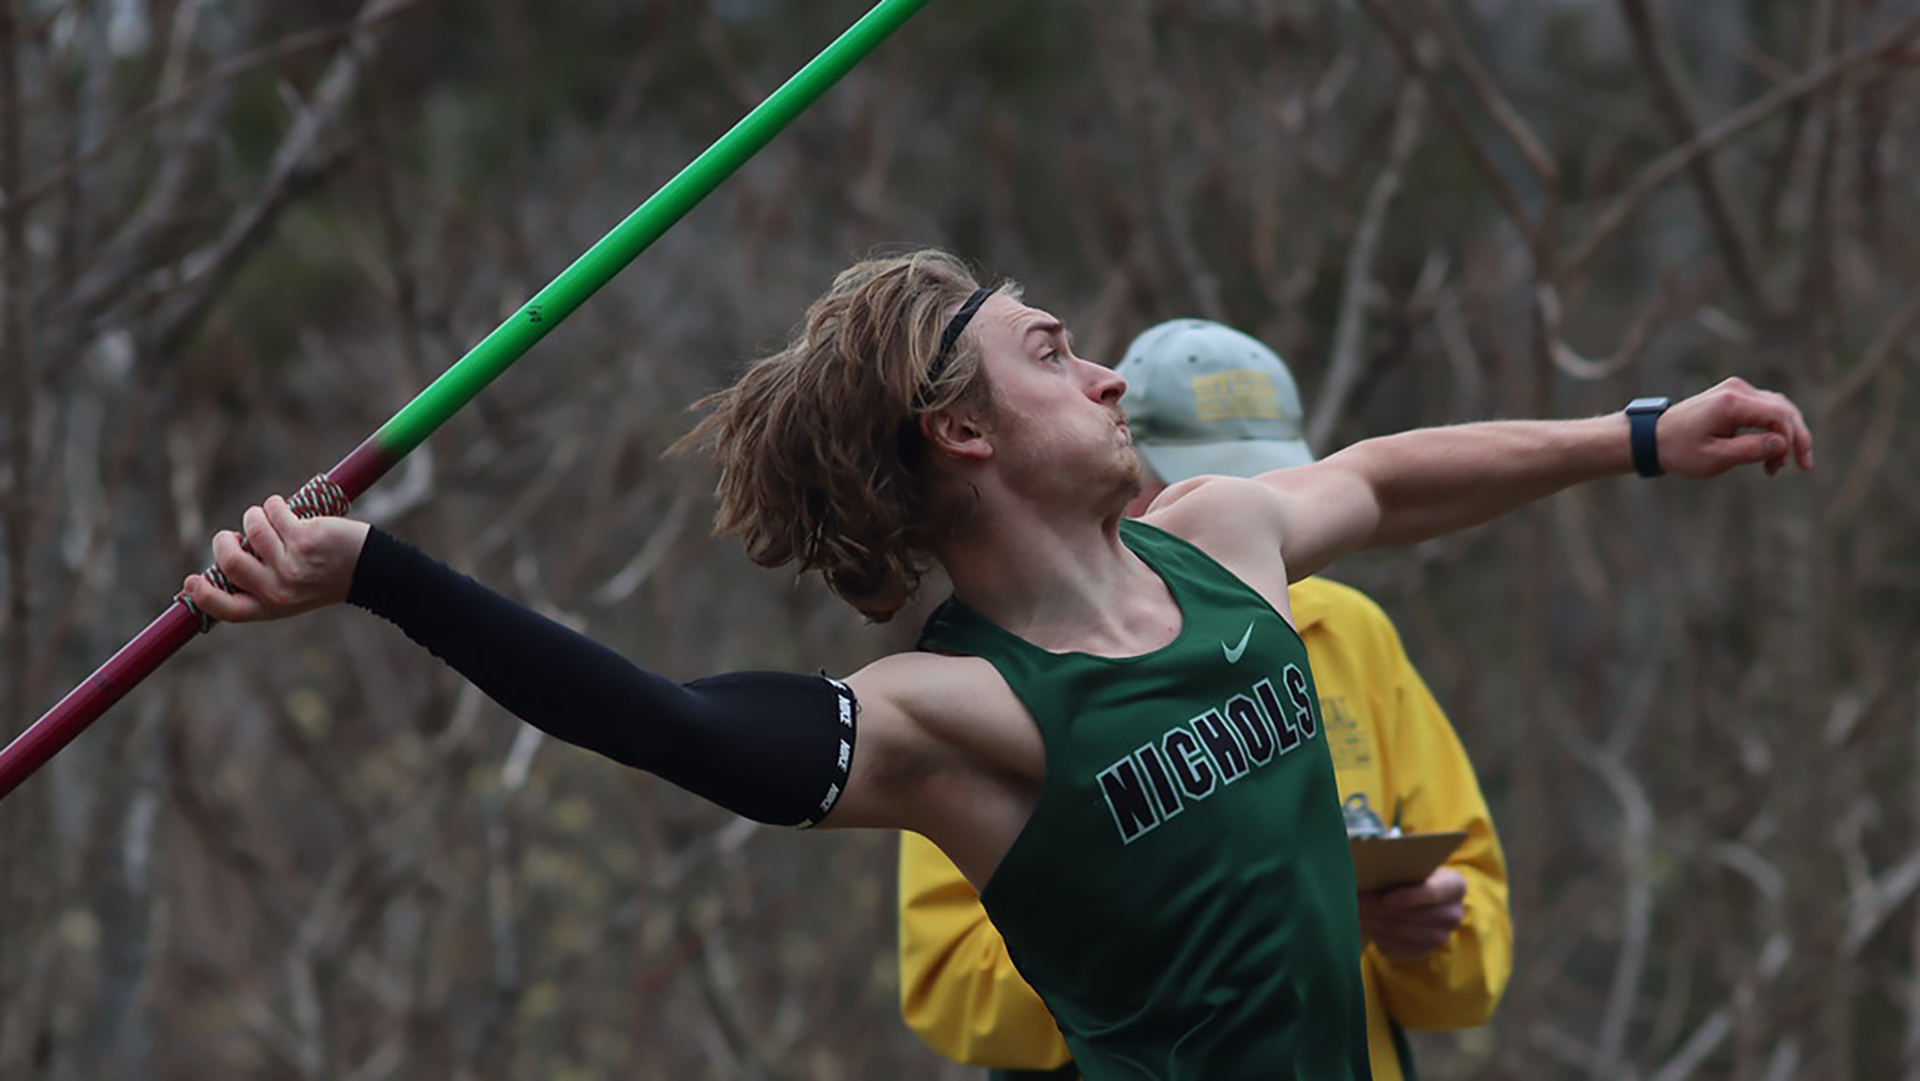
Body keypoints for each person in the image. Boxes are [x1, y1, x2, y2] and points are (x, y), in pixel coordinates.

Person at [180, 249, 1812, 1080]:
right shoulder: (963, 722)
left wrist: (1641, 436)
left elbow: (1383, 479)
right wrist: (380, 573)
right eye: (1057, 353)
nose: (1108, 379)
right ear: (960, 430)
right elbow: (675, 725)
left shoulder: (1225, 547)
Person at [896, 318, 1510, 1081]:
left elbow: (1475, 950)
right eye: (1204, 478)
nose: (1241, 506)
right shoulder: (992, 681)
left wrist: (1432, 932)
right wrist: (1198, 937)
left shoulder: (1349, 632)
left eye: (1268, 479)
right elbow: (948, 985)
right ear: (1122, 465)